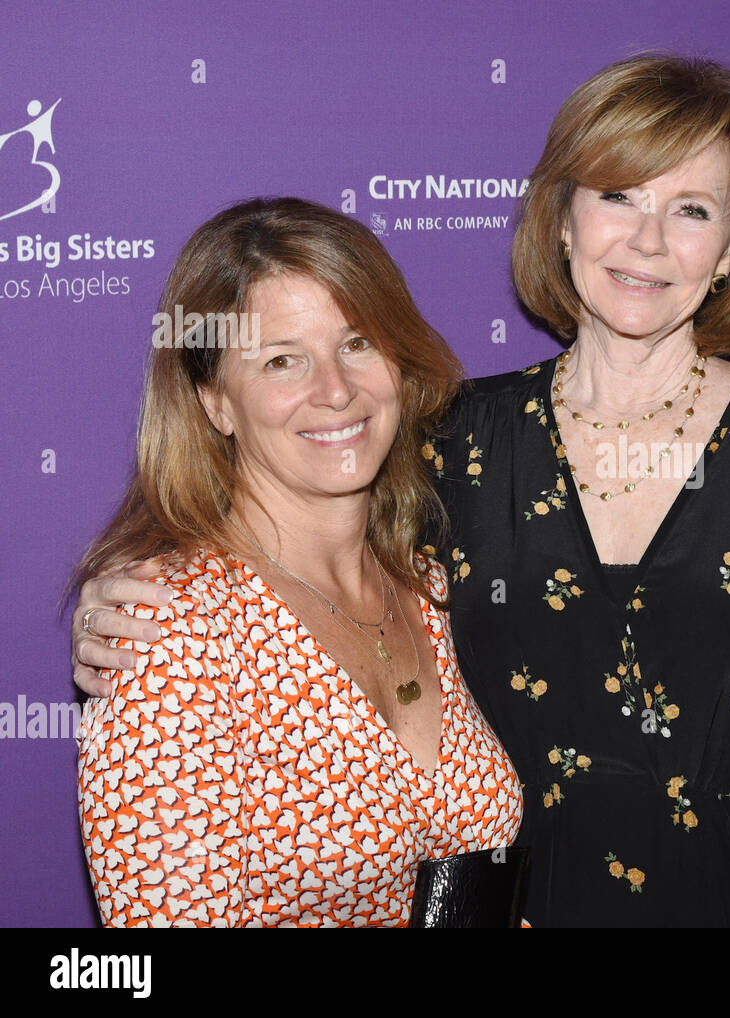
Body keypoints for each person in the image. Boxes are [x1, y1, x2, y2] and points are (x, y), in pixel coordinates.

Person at [74, 57, 730, 928]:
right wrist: (131, 606)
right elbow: (284, 543)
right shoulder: (453, 446)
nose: (649, 239)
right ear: (561, 220)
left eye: (692, 210)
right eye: (619, 195)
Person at [72, 197, 522, 926]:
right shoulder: (168, 636)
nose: (336, 390)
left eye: (357, 343)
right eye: (284, 360)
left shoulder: (427, 587)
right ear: (215, 400)